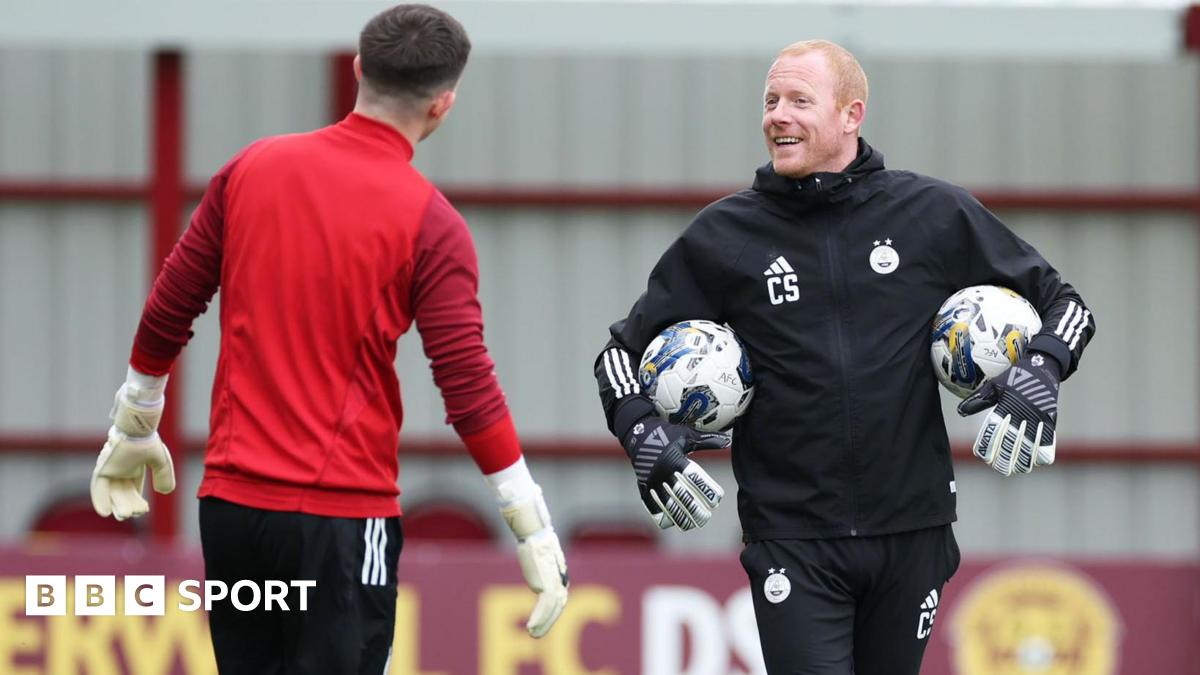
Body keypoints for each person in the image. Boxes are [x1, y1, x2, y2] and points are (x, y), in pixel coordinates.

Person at [89, 5, 568, 673]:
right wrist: (530, 520)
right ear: (443, 106)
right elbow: (466, 384)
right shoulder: (432, 224)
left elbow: (171, 303)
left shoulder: (250, 168)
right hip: (341, 518)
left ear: (356, 71)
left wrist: (134, 421)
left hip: (230, 510)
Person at [593, 39, 1094, 674]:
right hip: (792, 538)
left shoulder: (931, 213)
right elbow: (618, 356)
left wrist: (1041, 371)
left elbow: (1067, 306)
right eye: (771, 100)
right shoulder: (724, 236)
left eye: (800, 100)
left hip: (913, 532)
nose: (778, 115)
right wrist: (640, 432)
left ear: (852, 114)